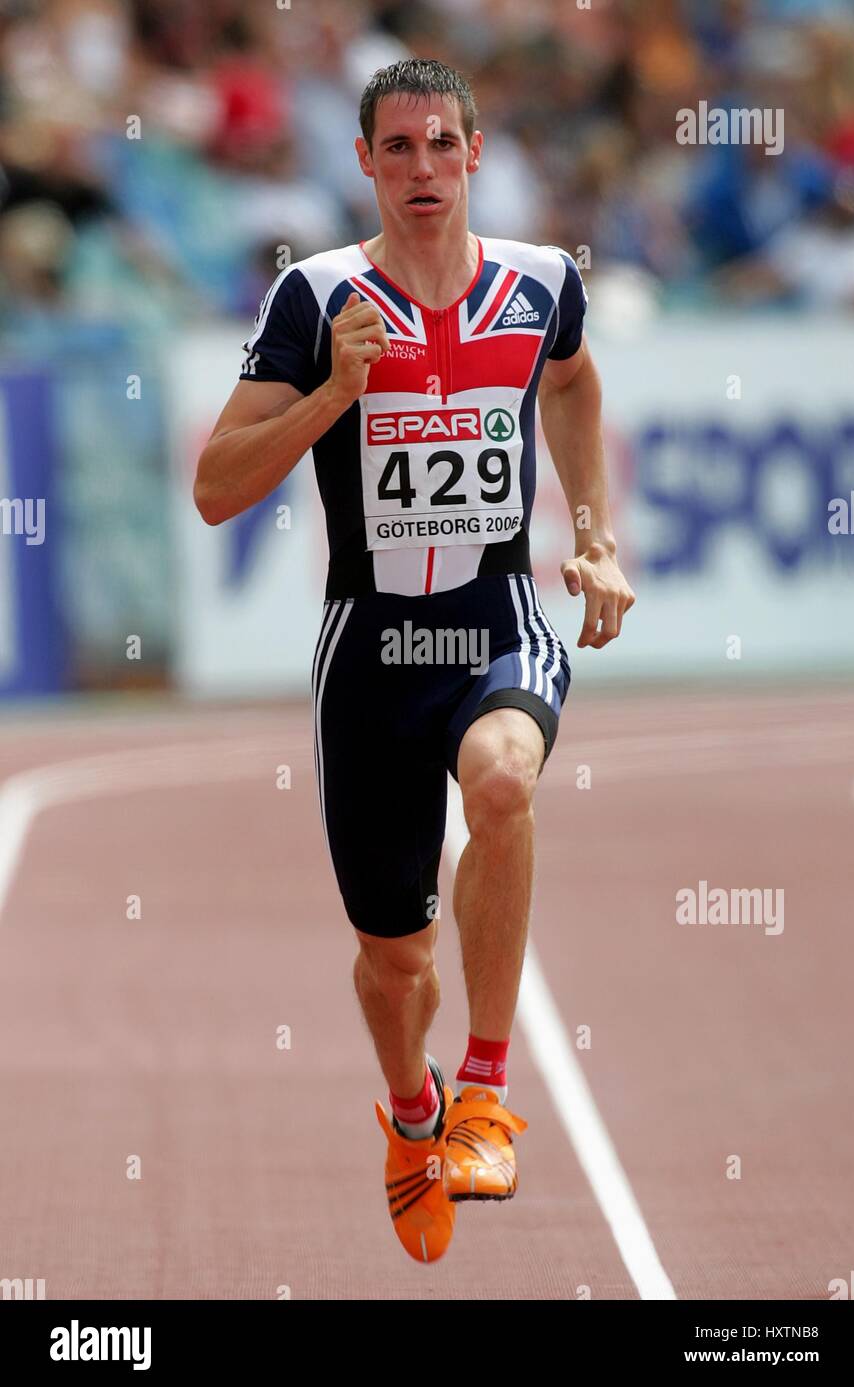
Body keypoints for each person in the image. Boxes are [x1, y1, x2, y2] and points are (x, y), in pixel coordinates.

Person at [194, 57, 635, 1265]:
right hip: (371, 653)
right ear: (364, 164)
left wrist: (591, 537)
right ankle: (411, 1110)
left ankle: (485, 1090)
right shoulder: (315, 294)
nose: (422, 168)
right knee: (394, 965)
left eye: (442, 144)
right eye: (397, 148)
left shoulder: (540, 283)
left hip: (495, 619)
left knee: (503, 779)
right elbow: (216, 490)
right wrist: (335, 389)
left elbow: (575, 384)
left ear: (476, 153)